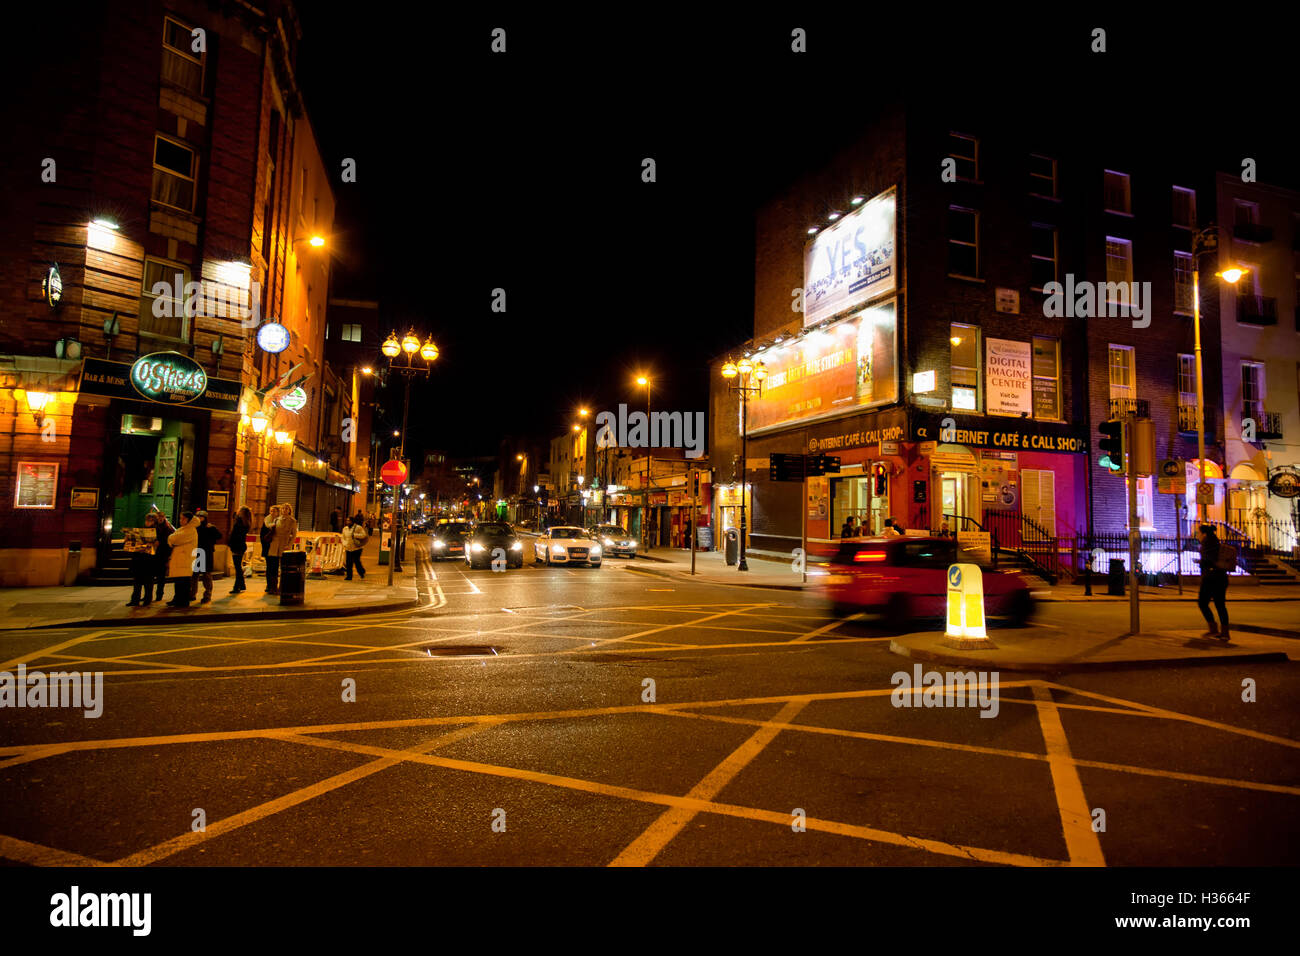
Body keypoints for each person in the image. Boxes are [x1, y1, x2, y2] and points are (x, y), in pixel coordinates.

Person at [1197, 524, 1231, 640]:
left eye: (1198, 532)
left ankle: (1213, 629)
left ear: (1203, 533)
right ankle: (1225, 632)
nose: (1198, 535)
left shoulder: (1207, 542)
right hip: (1221, 577)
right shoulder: (1215, 541)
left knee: (1202, 603)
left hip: (1211, 577)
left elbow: (1208, 559)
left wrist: (1200, 562)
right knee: (1220, 605)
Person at [165, 512, 198, 608]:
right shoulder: (184, 529)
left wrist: (171, 539)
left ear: (188, 520)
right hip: (180, 559)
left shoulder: (190, 530)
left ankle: (182, 602)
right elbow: (173, 538)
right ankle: (178, 599)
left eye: (183, 518)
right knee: (179, 581)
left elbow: (174, 539)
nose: (181, 520)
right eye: (180, 518)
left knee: (183, 582)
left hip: (185, 559)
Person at [126, 515, 159, 607]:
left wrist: (155, 544)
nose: (148, 522)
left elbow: (157, 545)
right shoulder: (140, 530)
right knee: (137, 581)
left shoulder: (157, 531)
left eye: (151, 520)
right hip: (138, 558)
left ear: (154, 521)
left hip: (149, 560)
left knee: (148, 582)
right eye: (147, 520)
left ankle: (147, 599)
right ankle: (135, 600)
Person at [190, 509, 223, 604]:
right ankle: (192, 594)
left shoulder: (210, 527)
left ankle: (207, 595)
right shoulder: (194, 527)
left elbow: (219, 536)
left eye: (201, 517)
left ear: (205, 518)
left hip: (206, 553)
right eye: (198, 517)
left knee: (206, 575)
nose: (199, 519)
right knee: (194, 575)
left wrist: (213, 530)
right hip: (196, 552)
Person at [268, 503, 298, 595]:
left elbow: (294, 535)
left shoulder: (292, 521)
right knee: (273, 567)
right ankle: (273, 587)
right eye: (283, 508)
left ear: (289, 510)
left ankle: (282, 587)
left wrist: (289, 544)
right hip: (274, 544)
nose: (284, 510)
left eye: (286, 509)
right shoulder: (277, 519)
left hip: (284, 544)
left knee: (284, 567)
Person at [150, 508, 175, 603]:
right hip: (153, 554)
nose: (160, 519)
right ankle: (149, 595)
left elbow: (169, 542)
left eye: (161, 517)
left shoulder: (168, 529)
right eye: (158, 517)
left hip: (162, 554)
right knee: (151, 577)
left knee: (161, 577)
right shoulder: (153, 527)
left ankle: (159, 594)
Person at [229, 507, 251, 594]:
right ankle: (240, 585)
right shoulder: (246, 522)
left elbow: (234, 534)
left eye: (239, 510)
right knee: (238, 566)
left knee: (237, 567)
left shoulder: (239, 522)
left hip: (236, 545)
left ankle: (238, 586)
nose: (237, 511)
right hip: (240, 545)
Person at [342, 514, 368, 580]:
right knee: (348, 563)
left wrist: (355, 535)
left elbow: (364, 535)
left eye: (349, 521)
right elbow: (343, 538)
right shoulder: (345, 529)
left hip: (357, 548)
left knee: (356, 561)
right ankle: (349, 576)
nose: (347, 522)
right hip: (348, 548)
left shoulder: (358, 527)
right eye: (347, 521)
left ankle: (361, 572)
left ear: (352, 521)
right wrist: (345, 544)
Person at [261, 507, 279, 593]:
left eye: (274, 511)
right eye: (271, 511)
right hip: (268, 548)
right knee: (269, 567)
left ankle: (274, 586)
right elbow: (263, 536)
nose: (272, 512)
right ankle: (269, 585)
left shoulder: (279, 522)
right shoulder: (266, 522)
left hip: (276, 547)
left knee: (275, 567)